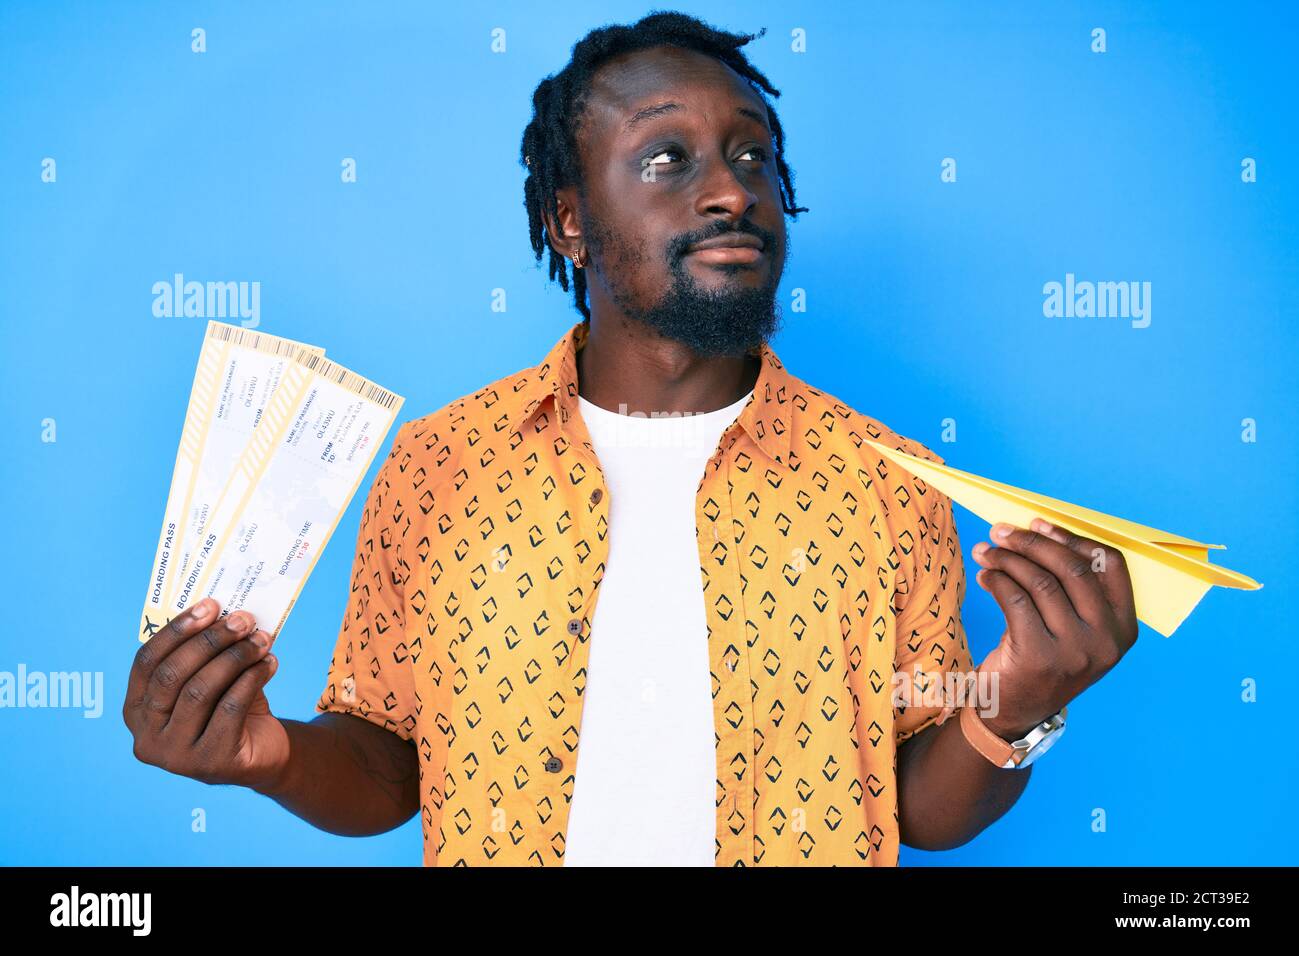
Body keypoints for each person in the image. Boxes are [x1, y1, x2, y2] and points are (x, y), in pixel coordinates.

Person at [123, 11, 1138, 866]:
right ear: (569, 217)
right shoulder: (442, 465)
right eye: (667, 158)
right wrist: (268, 751)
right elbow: (391, 759)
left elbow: (914, 793)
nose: (732, 189)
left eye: (753, 156)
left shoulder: (884, 479)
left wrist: (1015, 702)